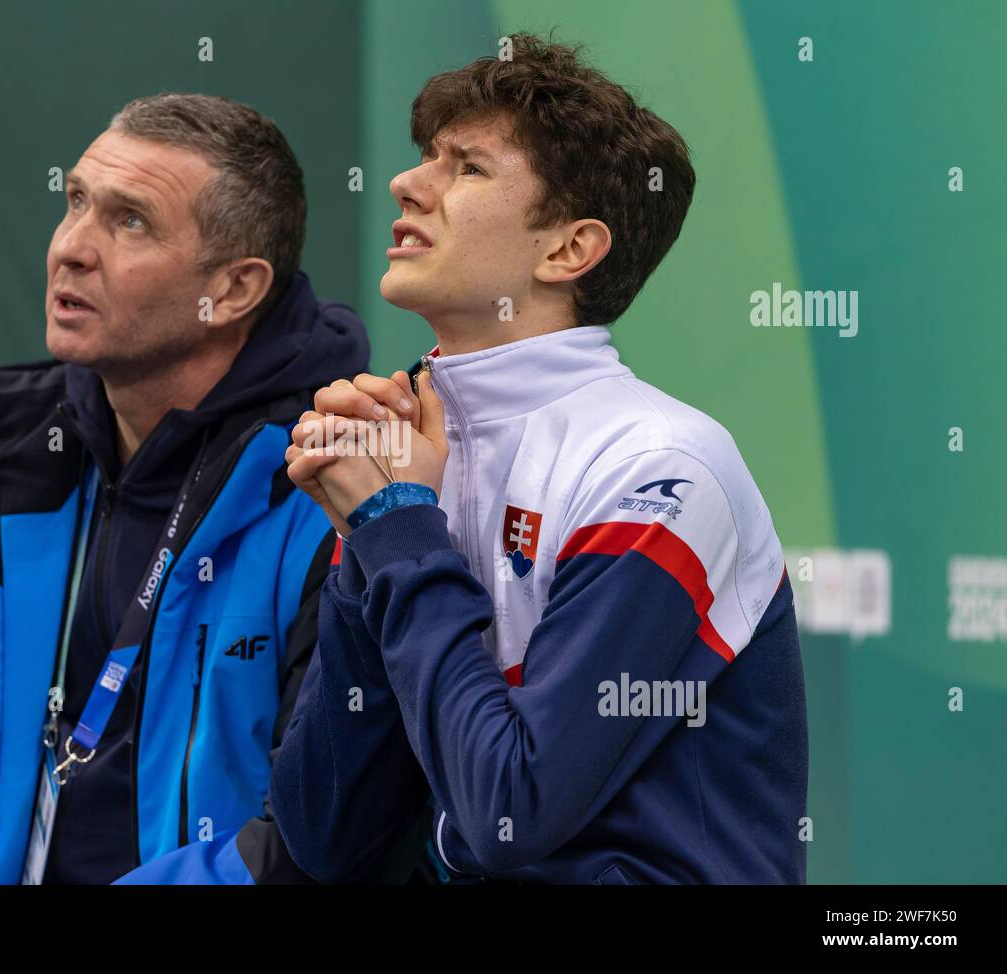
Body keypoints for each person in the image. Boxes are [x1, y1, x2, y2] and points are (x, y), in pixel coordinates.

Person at [274, 34, 809, 884]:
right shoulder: (413, 449)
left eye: (467, 167)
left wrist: (397, 530)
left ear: (568, 249)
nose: (409, 184)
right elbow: (326, 835)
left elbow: (510, 811)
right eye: (423, 158)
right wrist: (365, 542)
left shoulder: (656, 465)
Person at [0, 93, 369, 884]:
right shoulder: (24, 457)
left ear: (231, 291)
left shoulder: (337, 480)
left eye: (130, 222)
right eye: (77, 202)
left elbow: (314, 845)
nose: (70, 248)